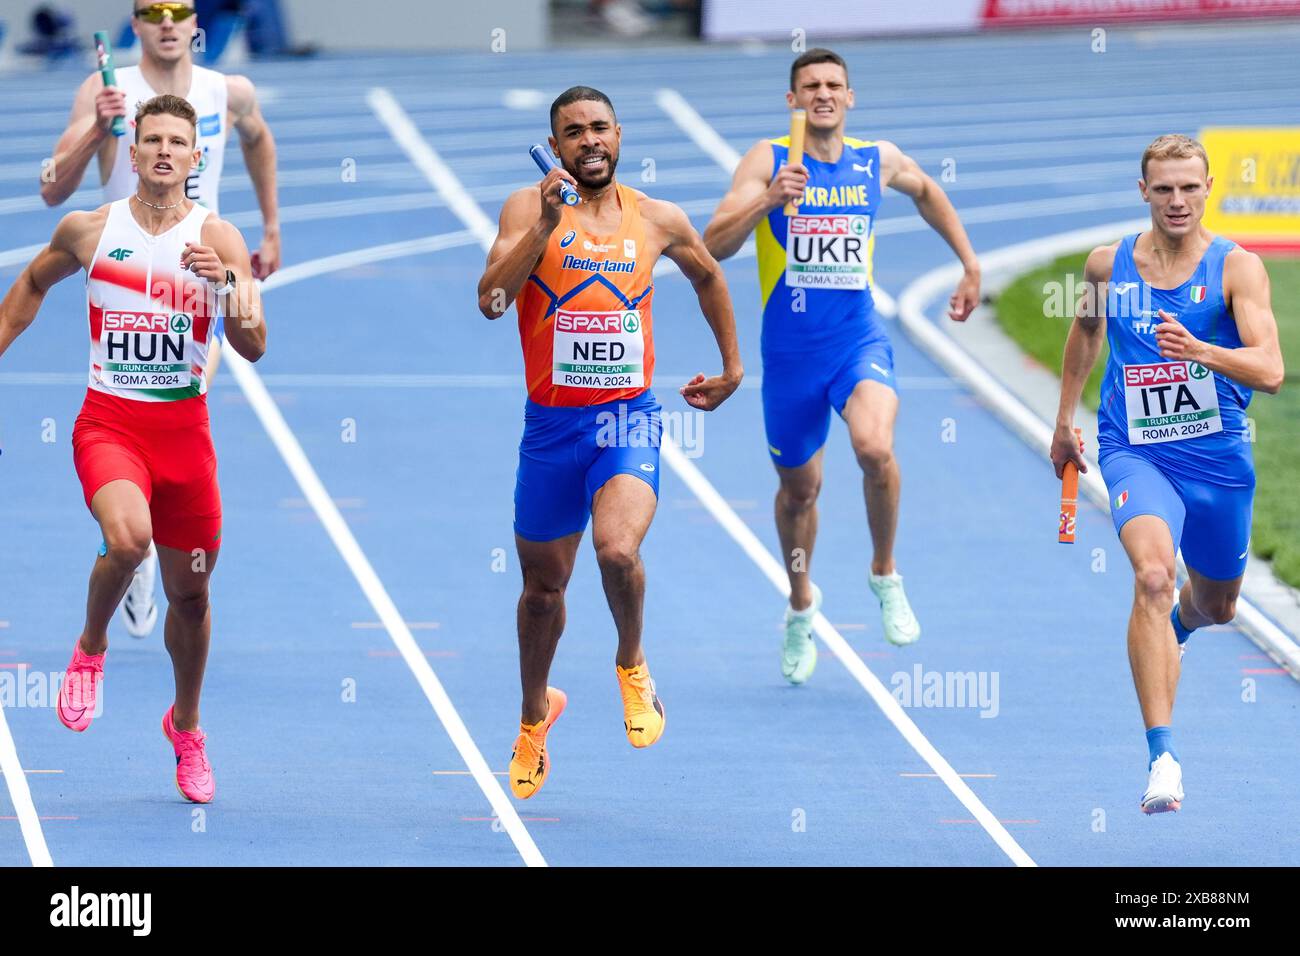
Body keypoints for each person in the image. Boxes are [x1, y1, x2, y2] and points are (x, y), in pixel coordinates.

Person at [0, 95, 268, 803]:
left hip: (185, 440)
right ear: (135, 150)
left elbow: (254, 345)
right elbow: (29, 284)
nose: (163, 152)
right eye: (152, 139)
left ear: (194, 157)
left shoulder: (222, 240)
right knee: (127, 542)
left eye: (178, 142)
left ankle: (185, 727)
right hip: (109, 425)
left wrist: (232, 285)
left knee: (191, 596)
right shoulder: (91, 230)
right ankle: (91, 647)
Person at [477, 86, 743, 799]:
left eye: (600, 128)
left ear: (619, 136)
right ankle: (535, 715)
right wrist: (543, 228)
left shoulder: (657, 218)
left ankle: (631, 664)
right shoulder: (524, 210)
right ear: (555, 145)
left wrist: (732, 368)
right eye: (573, 132)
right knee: (542, 591)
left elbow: (709, 275)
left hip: (626, 419)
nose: (589, 140)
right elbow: (492, 301)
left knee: (617, 550)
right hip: (551, 427)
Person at [703, 48, 980, 683]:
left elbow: (929, 192)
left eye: (833, 85)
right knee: (800, 491)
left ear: (849, 98)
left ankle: (885, 572)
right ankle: (802, 604)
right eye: (810, 86)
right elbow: (713, 243)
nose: (822, 94)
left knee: (874, 449)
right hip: (790, 358)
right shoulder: (769, 160)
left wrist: (968, 263)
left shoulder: (874, 159)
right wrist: (769, 200)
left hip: (856, 343)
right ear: (793, 101)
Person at [1051, 134, 1285, 814]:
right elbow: (1086, 333)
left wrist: (1202, 350)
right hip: (1136, 450)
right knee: (1153, 576)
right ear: (1143, 192)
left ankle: (1176, 629)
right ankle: (1163, 759)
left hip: (1218, 460)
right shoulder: (1107, 265)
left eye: (1189, 187)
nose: (1177, 200)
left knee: (1218, 606)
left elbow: (1270, 370)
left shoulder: (1238, 269)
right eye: (1164, 189)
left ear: (1208, 187)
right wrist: (1065, 420)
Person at [42, 0, 280, 640]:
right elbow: (51, 188)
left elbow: (259, 141)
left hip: (199, 264)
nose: (168, 22)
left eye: (180, 10)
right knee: (136, 390)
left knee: (186, 390)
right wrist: (96, 131)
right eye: (153, 10)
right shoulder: (105, 85)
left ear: (194, 19)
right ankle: (133, 539)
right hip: (122, 263)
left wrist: (271, 224)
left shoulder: (227, 90)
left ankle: (145, 533)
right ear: (137, 22)